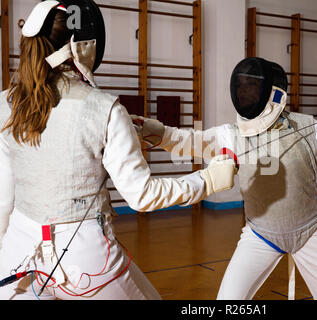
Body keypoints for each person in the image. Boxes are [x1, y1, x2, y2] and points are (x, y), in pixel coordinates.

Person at [0, 0, 236, 300]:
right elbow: (142, 196)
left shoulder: (7, 103)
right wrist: (208, 180)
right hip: (85, 261)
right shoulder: (103, 108)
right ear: (83, 47)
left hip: (19, 256)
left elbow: (4, 198)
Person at [132, 57, 317, 300]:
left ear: (272, 93)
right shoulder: (231, 134)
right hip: (261, 234)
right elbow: (190, 141)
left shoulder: (307, 126)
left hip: (309, 231)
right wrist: (151, 130)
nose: (245, 92)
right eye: (242, 87)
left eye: (252, 86)